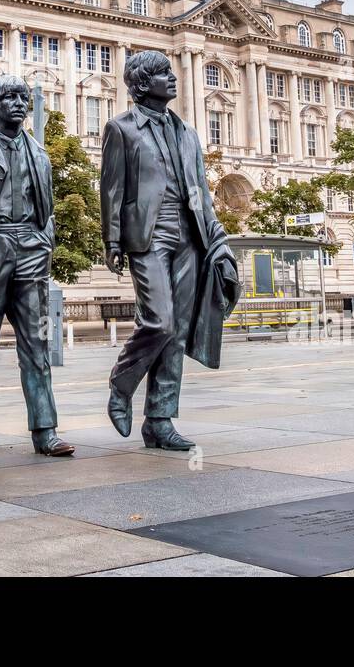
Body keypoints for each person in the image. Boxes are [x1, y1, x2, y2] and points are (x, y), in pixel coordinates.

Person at [100, 50, 238, 450]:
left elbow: (202, 193)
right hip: (149, 232)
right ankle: (122, 382)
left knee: (176, 331)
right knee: (159, 321)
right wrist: (112, 240)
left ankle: (159, 420)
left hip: (189, 234)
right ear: (142, 84)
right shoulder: (120, 129)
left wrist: (216, 237)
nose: (172, 78)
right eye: (162, 73)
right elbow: (111, 189)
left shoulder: (188, 133)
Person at [0, 75, 73, 457]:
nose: (18, 103)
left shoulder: (38, 151)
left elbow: (45, 204)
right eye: (9, 97)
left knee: (37, 344)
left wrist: (44, 238)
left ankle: (45, 430)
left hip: (31, 246)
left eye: (22, 97)